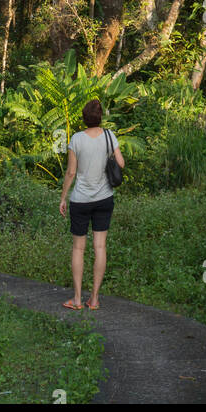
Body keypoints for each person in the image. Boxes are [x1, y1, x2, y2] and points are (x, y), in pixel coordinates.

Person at [59, 99, 125, 310]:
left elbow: (71, 172)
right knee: (100, 247)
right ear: (100, 117)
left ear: (84, 118)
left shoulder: (76, 139)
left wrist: (62, 197)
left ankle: (77, 299)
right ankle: (94, 299)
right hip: (104, 198)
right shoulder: (109, 135)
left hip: (80, 200)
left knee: (78, 248)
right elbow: (121, 163)